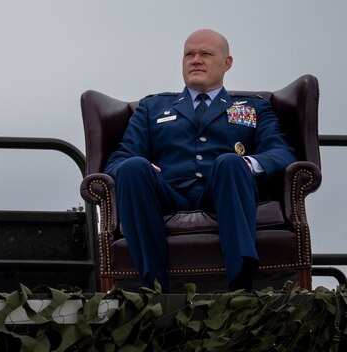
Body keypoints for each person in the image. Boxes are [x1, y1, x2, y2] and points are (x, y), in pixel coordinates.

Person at [105, 29, 296, 291]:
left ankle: (241, 286)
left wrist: (247, 164)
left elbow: (282, 154)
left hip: (225, 191)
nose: (195, 60)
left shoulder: (253, 107)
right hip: (168, 194)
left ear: (226, 63)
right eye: (189, 54)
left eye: (205, 53)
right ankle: (154, 288)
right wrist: (143, 167)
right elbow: (119, 159)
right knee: (132, 167)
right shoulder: (153, 107)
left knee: (231, 162)